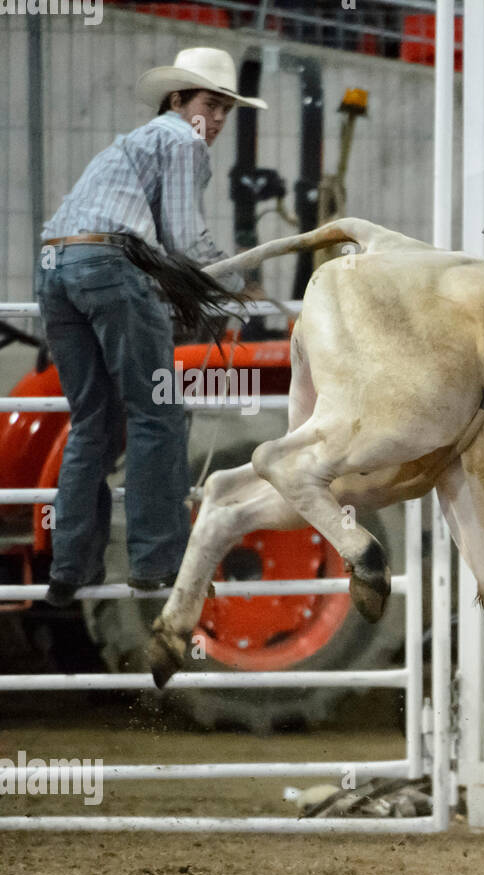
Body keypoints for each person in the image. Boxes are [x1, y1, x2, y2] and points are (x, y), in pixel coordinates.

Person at [37, 47, 263, 607]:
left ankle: (70, 568)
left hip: (54, 268)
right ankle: (158, 564)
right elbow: (185, 242)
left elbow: (161, 240)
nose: (216, 122)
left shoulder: (135, 145)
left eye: (226, 111)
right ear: (179, 100)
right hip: (107, 268)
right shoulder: (182, 142)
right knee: (157, 413)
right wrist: (240, 284)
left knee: (94, 422)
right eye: (211, 105)